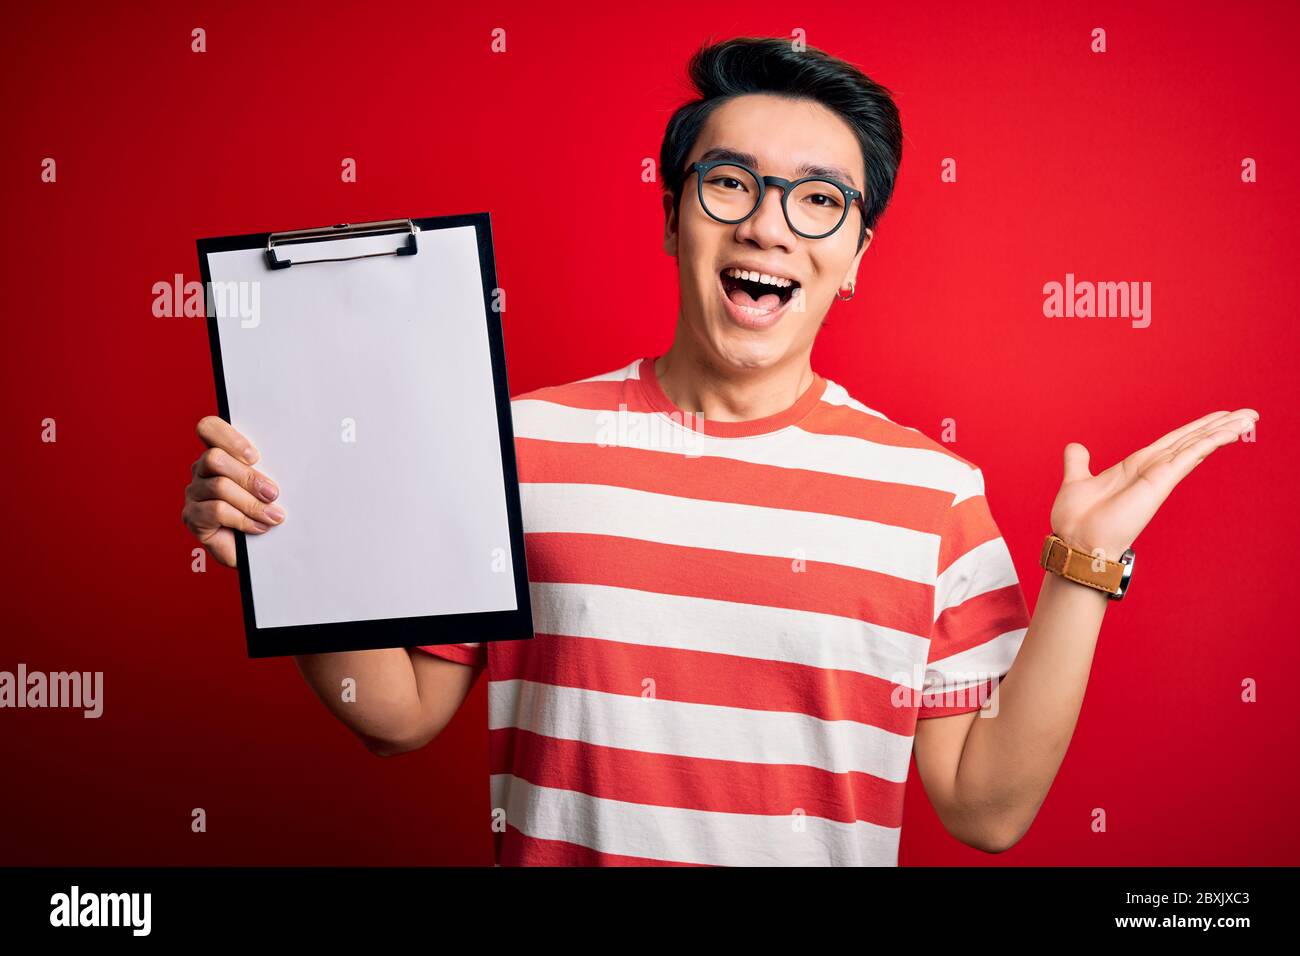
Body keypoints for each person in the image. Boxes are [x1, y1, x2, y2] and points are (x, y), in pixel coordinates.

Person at [180, 37, 1257, 866]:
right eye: (728, 182)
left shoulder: (931, 494)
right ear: (672, 216)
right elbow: (400, 717)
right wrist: (290, 553)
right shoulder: (518, 444)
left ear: (855, 256)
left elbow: (986, 807)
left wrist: (1081, 566)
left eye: (818, 201)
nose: (767, 226)